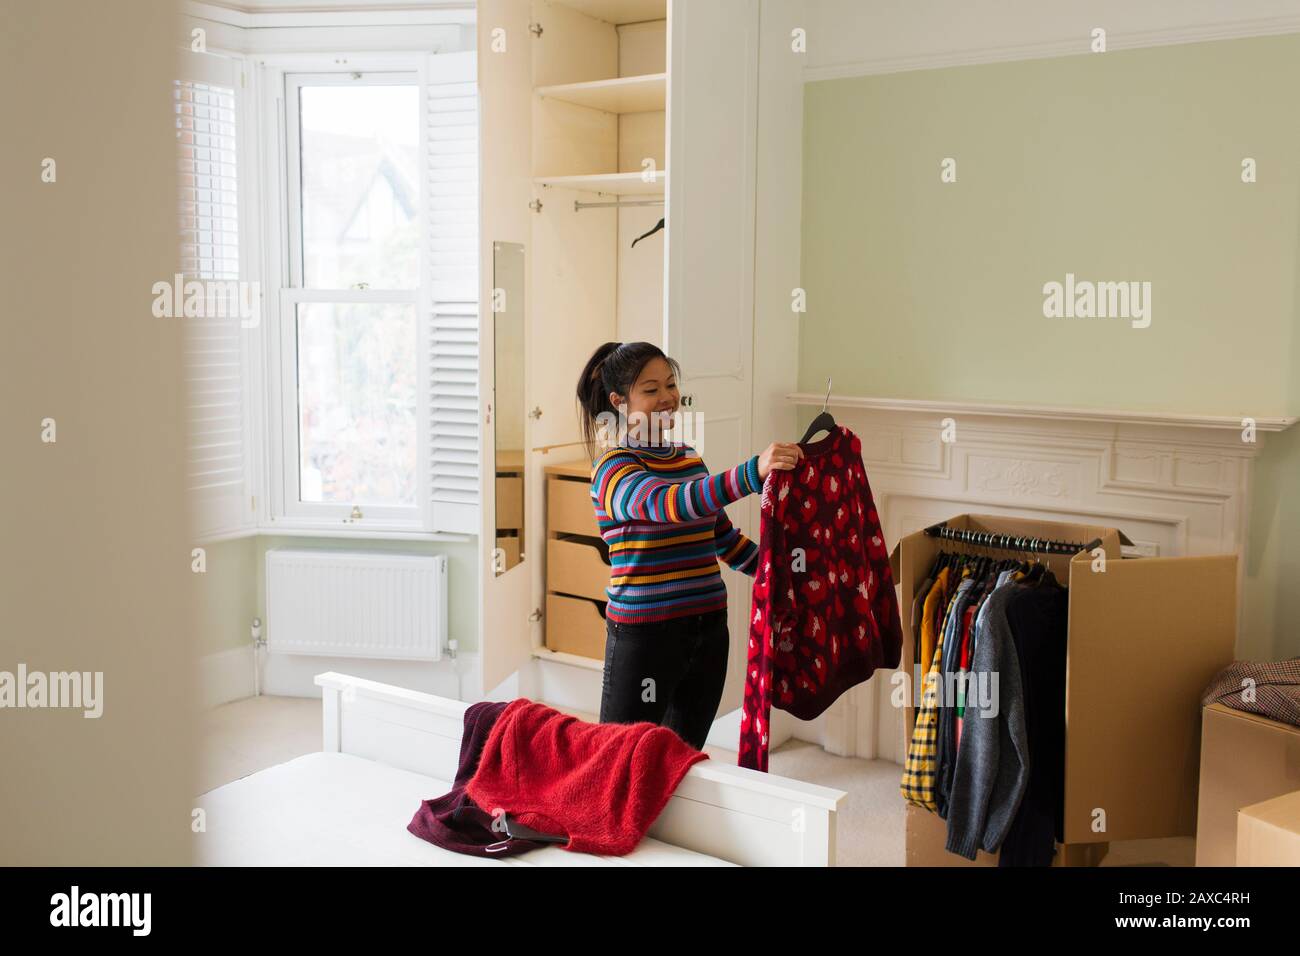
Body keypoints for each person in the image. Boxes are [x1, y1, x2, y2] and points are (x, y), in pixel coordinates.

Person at [575, 341, 803, 749]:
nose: (667, 398)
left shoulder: (688, 457)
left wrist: (784, 574)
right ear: (619, 401)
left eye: (670, 384)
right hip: (645, 640)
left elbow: (722, 538)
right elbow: (671, 504)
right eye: (650, 389)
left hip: (709, 632)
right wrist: (753, 472)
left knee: (683, 758)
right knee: (621, 760)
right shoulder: (613, 468)